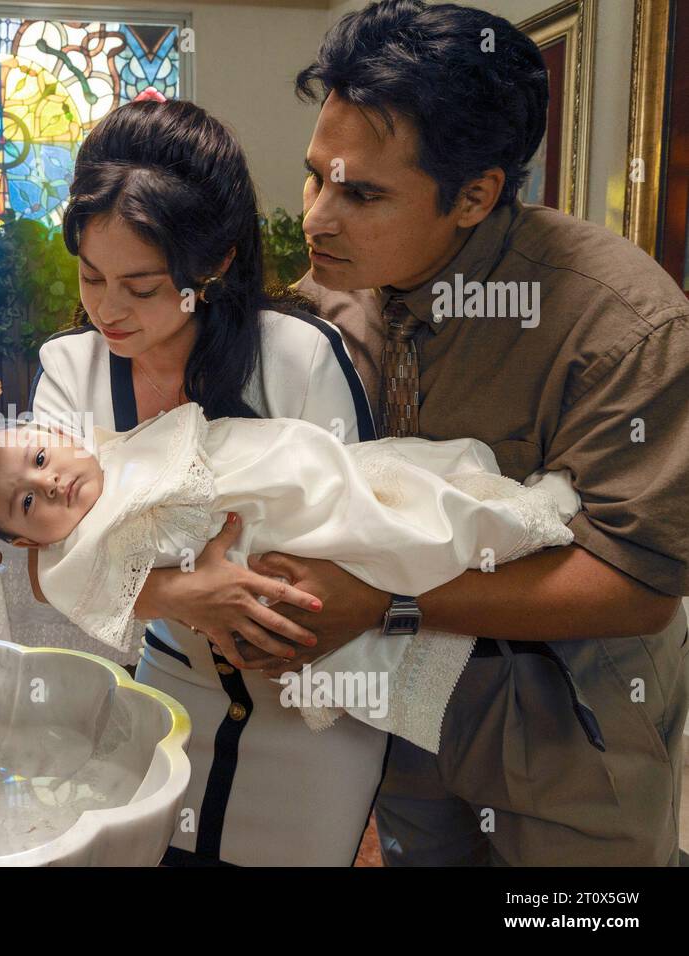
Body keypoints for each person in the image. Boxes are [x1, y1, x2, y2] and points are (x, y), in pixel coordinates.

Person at [273, 0, 688, 865]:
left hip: (572, 727)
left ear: (475, 196)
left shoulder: (621, 324)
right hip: (409, 713)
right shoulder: (327, 300)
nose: (316, 217)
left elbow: (637, 582)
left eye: (361, 194)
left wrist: (386, 601)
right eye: (316, 175)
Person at [0, 95, 389, 865]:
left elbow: (363, 533)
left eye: (142, 287)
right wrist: (181, 597)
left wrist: (238, 598)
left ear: (218, 262)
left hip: (312, 696)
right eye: (91, 275)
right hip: (172, 688)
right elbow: (47, 560)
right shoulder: (71, 371)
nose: (107, 310)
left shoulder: (299, 357)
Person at [0, 404, 578, 752]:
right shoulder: (76, 551)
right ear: (27, 541)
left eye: (40, 459)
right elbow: (76, 584)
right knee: (401, 535)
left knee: (390, 485)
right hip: (270, 539)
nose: (48, 482)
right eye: (27, 503)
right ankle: (517, 520)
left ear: (64, 436)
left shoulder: (117, 451)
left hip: (290, 472)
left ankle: (503, 515)